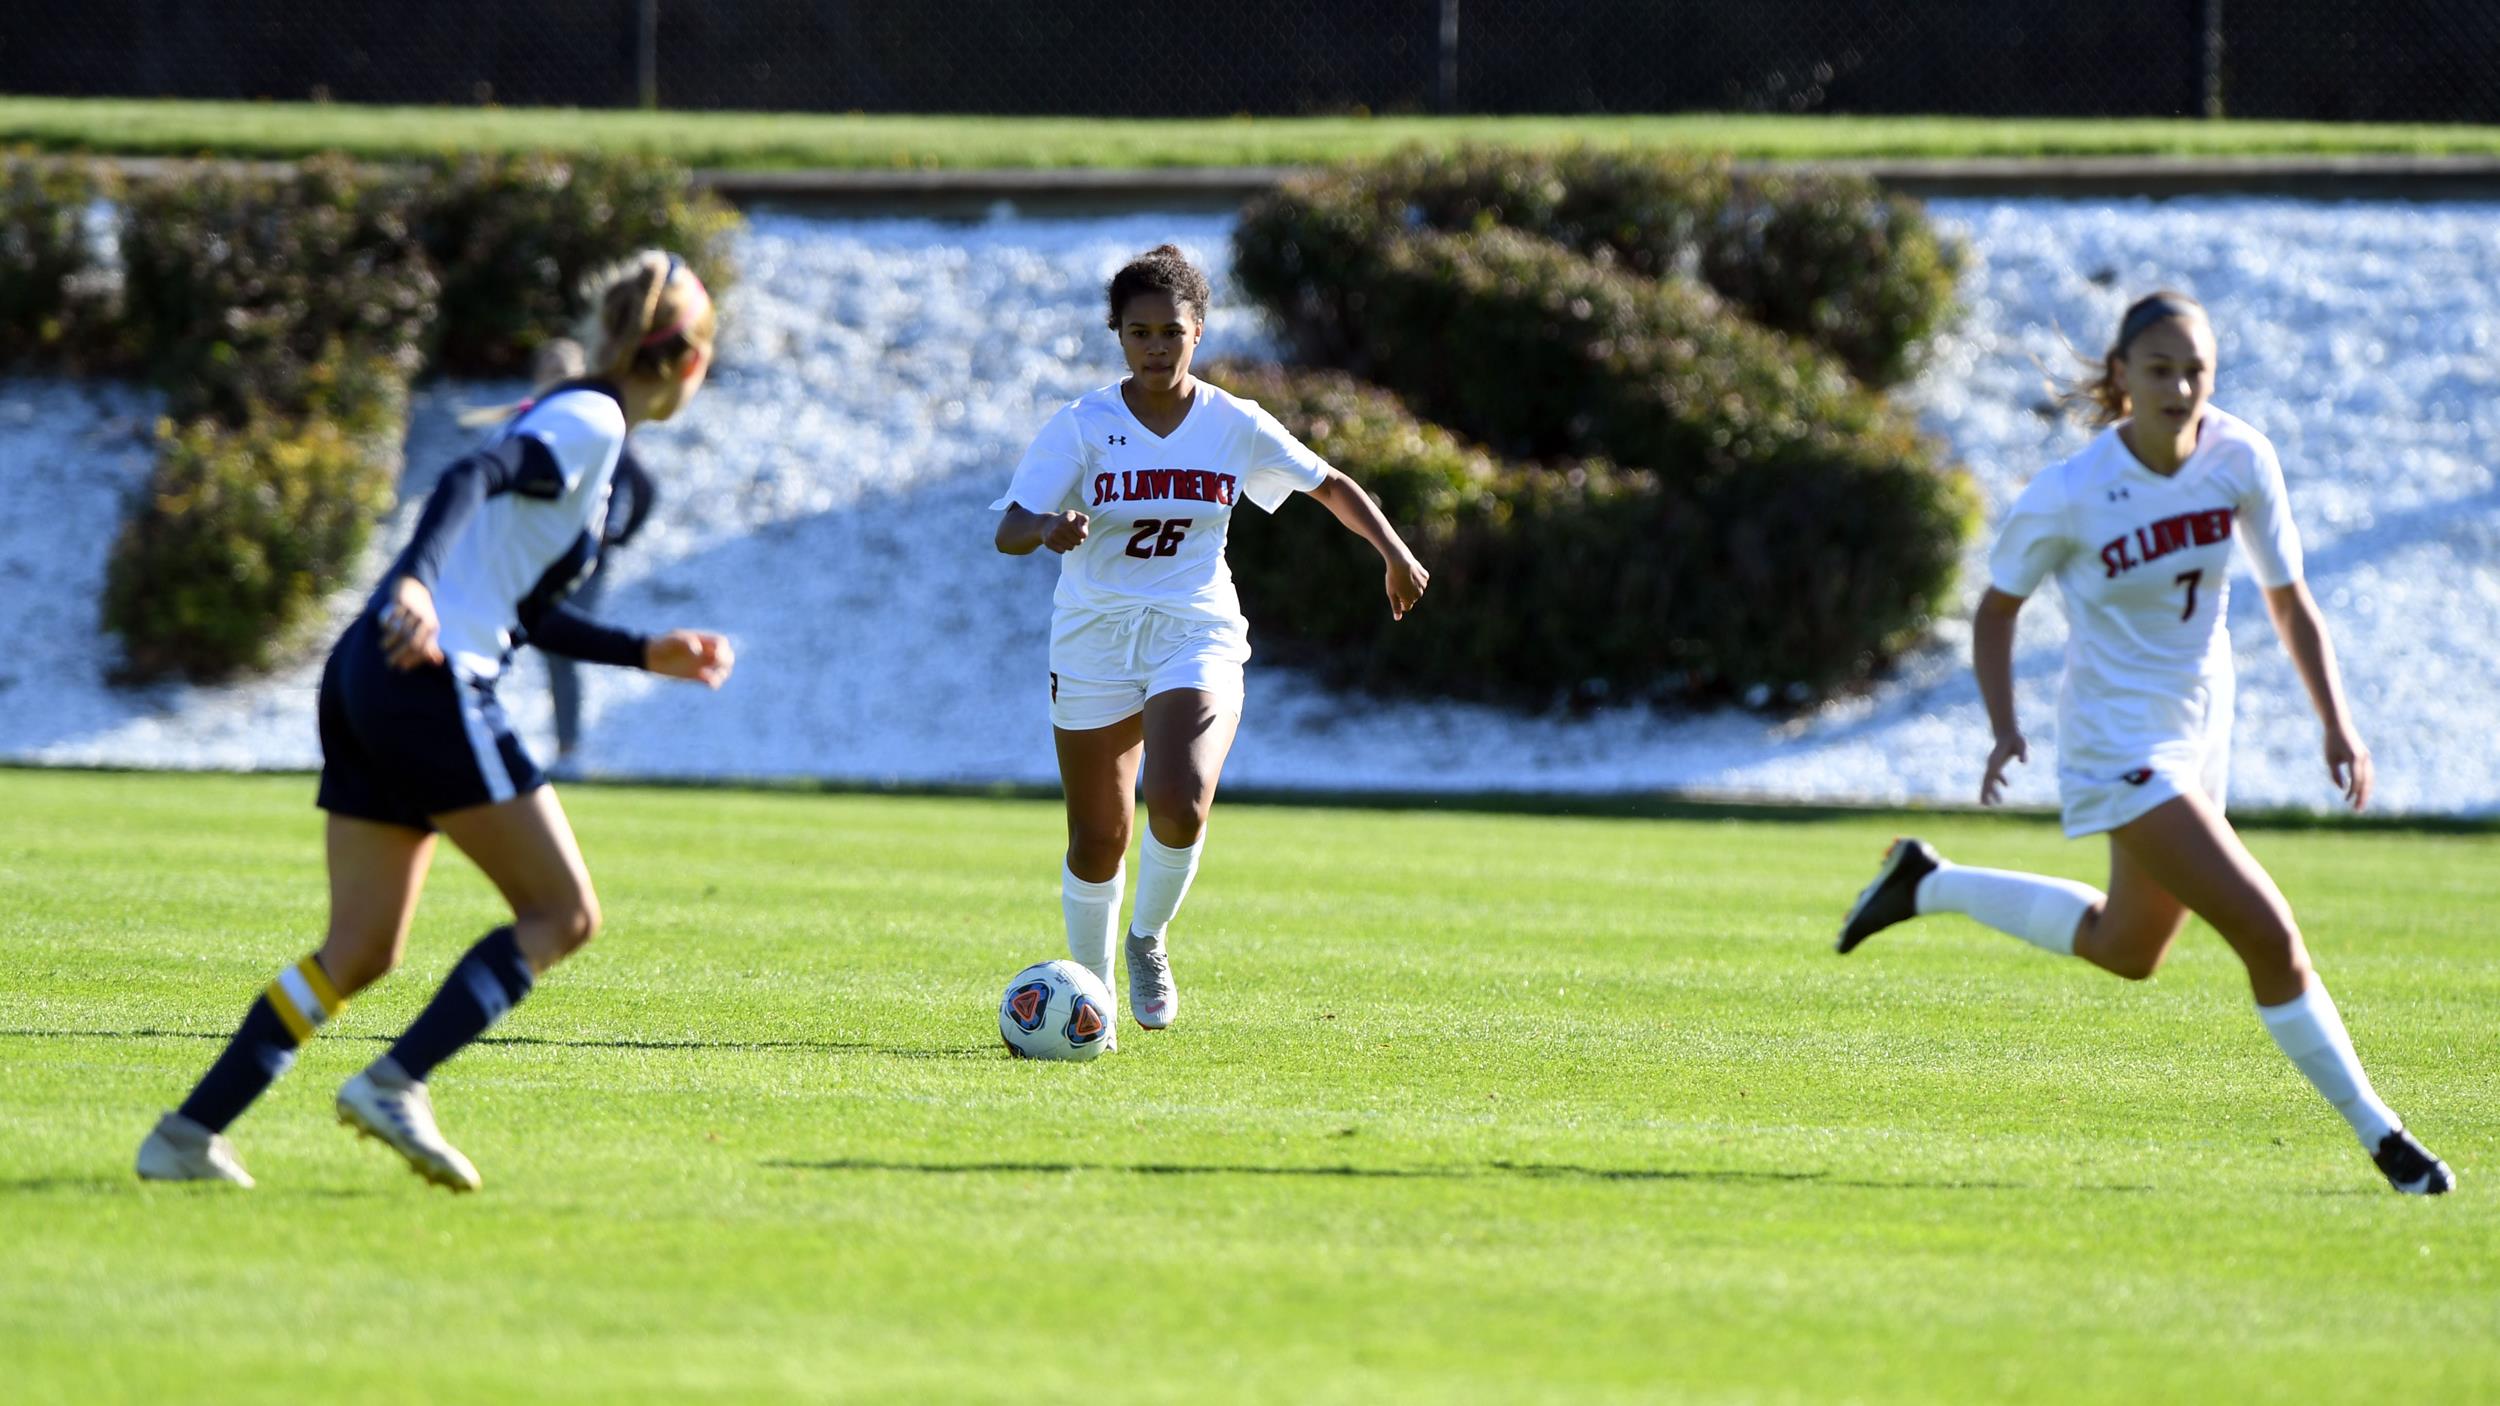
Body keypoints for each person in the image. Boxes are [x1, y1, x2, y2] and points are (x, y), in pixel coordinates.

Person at [136, 250, 732, 1191]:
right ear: (690, 363)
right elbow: (470, 476)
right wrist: (410, 575)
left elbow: (522, 605)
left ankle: (186, 1134)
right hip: (431, 676)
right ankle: (396, 1081)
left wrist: (640, 649)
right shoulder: (592, 419)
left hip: (372, 673)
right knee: (562, 912)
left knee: (361, 949)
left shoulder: (579, 423)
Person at [1837, 291, 2452, 1195]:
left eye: (2196, 367)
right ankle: (2388, 1142)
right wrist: (2005, 725)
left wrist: (2337, 719)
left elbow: (2288, 599)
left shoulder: (2241, 456)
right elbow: (1998, 611)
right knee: (2271, 938)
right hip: (2115, 739)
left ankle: (1927, 883)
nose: (2181, 384)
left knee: (2129, 948)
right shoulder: (2072, 495)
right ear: (2121, 376)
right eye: (2159, 367)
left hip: (2201, 727)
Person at [992, 244, 1428, 1039]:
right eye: (1139, 332)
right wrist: (1051, 526)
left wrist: (1393, 553)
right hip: (1093, 637)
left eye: (1172, 331)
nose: (1156, 347)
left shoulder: (1232, 423)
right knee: (1098, 837)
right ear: (1117, 335)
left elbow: (1328, 483)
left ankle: (1147, 940)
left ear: (1199, 332)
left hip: (1196, 627)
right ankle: (1091, 996)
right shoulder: (1084, 425)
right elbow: (1011, 527)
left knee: (1181, 799)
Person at [510, 339, 662, 776]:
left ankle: (569, 751)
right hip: (539, 554)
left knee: (562, 645)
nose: (555, 377)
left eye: (563, 369)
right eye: (548, 368)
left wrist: (616, 535)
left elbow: (645, 487)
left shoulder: (594, 423)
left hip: (582, 560)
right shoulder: (537, 422)